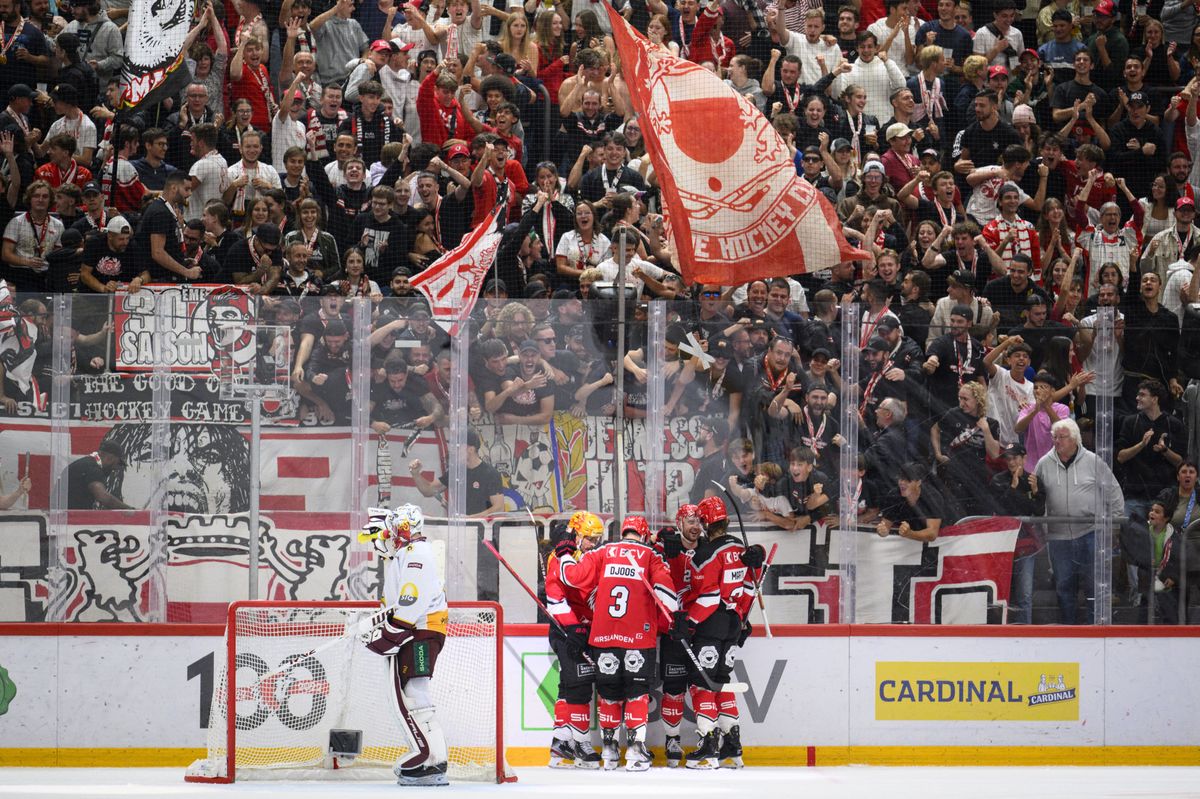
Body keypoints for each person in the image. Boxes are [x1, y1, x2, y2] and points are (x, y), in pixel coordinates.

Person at [554, 514, 676, 772]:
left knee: (609, 694)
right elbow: (667, 594)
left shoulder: (602, 552)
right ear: (643, 535)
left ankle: (609, 751)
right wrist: (677, 619)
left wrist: (565, 553)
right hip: (638, 638)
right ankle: (634, 751)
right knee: (636, 692)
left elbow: (572, 577)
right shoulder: (650, 555)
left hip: (603, 637)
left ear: (622, 532)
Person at [356, 504, 450, 786]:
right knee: (412, 691)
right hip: (417, 629)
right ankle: (433, 758)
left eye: (382, 534)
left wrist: (390, 632)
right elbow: (400, 601)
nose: (378, 541)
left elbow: (411, 600)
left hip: (421, 630)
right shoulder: (401, 555)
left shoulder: (415, 553)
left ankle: (430, 759)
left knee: (415, 692)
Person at [668, 496, 763, 770]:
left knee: (702, 683)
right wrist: (743, 620)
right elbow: (747, 590)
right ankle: (732, 746)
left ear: (707, 524)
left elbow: (709, 597)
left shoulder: (706, 553)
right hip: (733, 625)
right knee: (721, 681)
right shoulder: (743, 550)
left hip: (711, 625)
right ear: (728, 521)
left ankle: (708, 747)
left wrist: (690, 622)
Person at [1035, 418, 1124, 624]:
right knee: (1064, 587)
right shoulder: (1043, 464)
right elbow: (1037, 499)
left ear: (1075, 439)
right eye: (1055, 437)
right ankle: (1068, 630)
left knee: (1094, 585)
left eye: (1062, 437)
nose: (1057, 441)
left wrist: (1116, 526)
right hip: (1058, 537)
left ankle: (1096, 629)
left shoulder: (1094, 461)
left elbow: (1113, 492)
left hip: (1091, 533)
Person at [544, 510, 604, 769]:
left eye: (597, 539)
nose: (594, 543)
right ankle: (581, 743)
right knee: (579, 684)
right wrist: (573, 628)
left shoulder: (587, 556)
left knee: (568, 685)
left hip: (584, 630)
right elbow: (555, 599)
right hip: (567, 630)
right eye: (589, 538)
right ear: (576, 534)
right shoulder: (560, 557)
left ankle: (561, 742)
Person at [408, 428, 504, 516]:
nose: (453, 450)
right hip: (459, 530)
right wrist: (416, 474)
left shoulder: (490, 474)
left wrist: (470, 519)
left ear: (471, 449)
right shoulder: (455, 473)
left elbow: (499, 508)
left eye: (458, 446)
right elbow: (428, 491)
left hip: (483, 530)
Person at [61, 440, 132, 509]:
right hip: (69, 518)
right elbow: (102, 497)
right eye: (117, 463)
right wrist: (131, 511)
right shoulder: (93, 469)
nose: (116, 468)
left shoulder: (86, 463)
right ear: (110, 458)